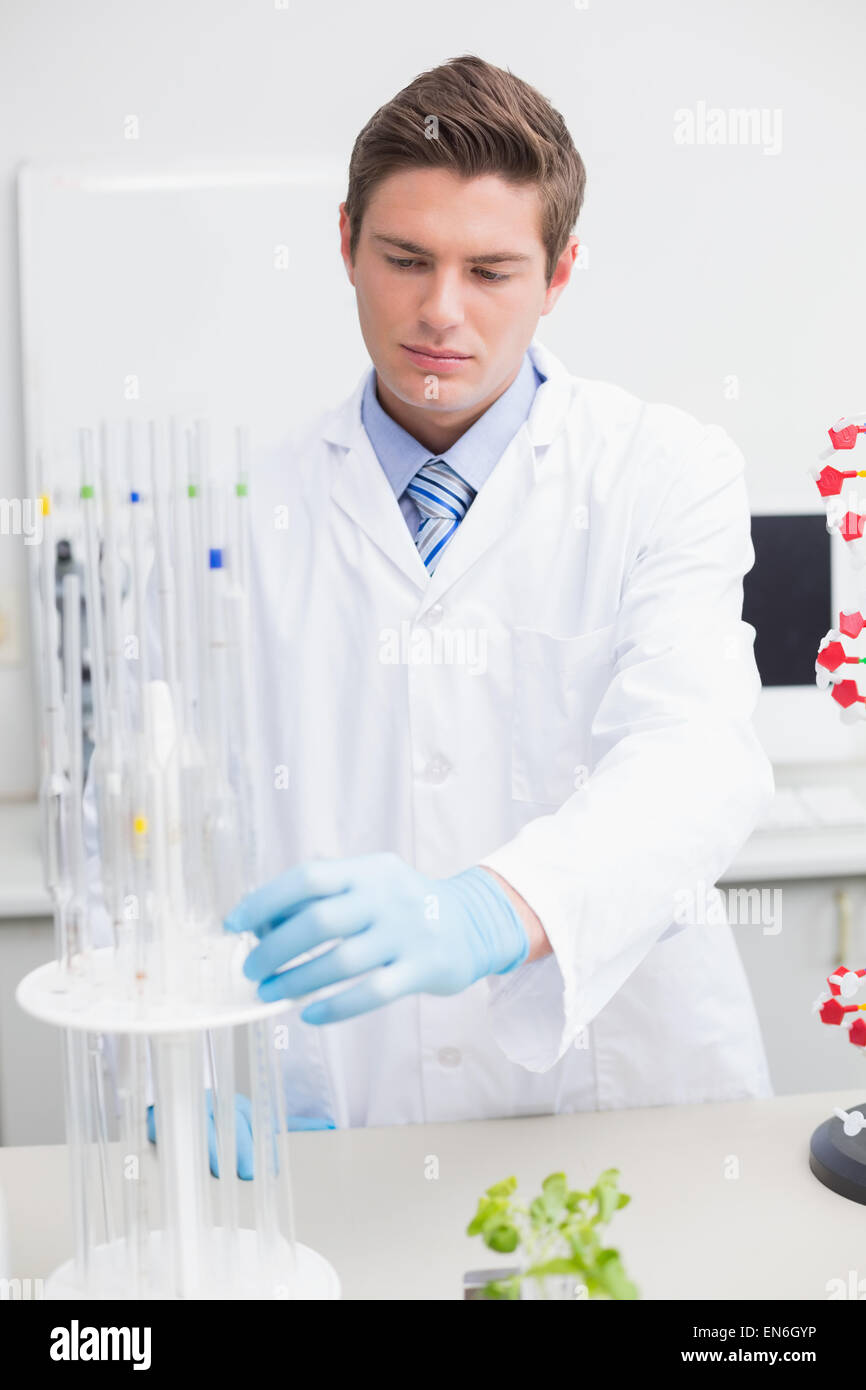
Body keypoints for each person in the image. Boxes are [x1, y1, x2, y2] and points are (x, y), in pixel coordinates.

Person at [156, 54, 777, 1173]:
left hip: (627, 1113)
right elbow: (186, 821)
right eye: (405, 259)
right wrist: (188, 1054)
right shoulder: (247, 515)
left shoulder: (661, 470)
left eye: (490, 270)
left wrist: (489, 911)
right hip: (351, 1122)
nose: (440, 311)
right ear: (344, 241)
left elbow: (695, 759)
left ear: (559, 273)